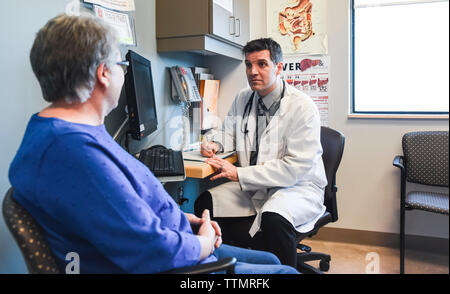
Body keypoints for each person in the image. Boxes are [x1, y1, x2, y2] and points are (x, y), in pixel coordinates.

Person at [8, 14, 298, 274]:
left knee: (271, 263)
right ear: (103, 73)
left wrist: (186, 221)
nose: (123, 72)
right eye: (121, 64)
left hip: (180, 238)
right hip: (180, 266)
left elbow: (119, 214)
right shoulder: (74, 152)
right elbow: (154, 251)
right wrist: (205, 243)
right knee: (284, 273)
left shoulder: (66, 133)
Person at [195, 38, 327, 268]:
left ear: (278, 67)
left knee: (274, 219)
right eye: (248, 65)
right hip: (255, 185)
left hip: (296, 188)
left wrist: (238, 174)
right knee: (205, 204)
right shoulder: (244, 97)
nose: (253, 71)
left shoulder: (303, 107)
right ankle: (233, 267)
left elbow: (294, 168)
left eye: (262, 64)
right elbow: (229, 133)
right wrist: (215, 143)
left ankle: (283, 271)